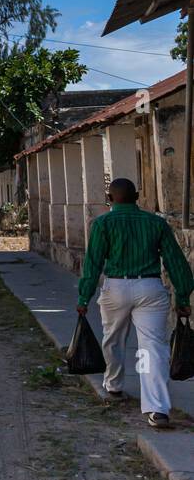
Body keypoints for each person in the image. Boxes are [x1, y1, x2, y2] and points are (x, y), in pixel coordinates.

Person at [77, 178, 193, 430]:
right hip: (150, 288)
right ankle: (157, 409)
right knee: (153, 347)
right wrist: (183, 296)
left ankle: (114, 384)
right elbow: (176, 261)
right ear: (137, 196)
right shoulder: (156, 223)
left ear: (109, 199)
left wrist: (83, 297)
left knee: (114, 338)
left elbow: (93, 263)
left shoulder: (103, 223)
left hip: (116, 286)